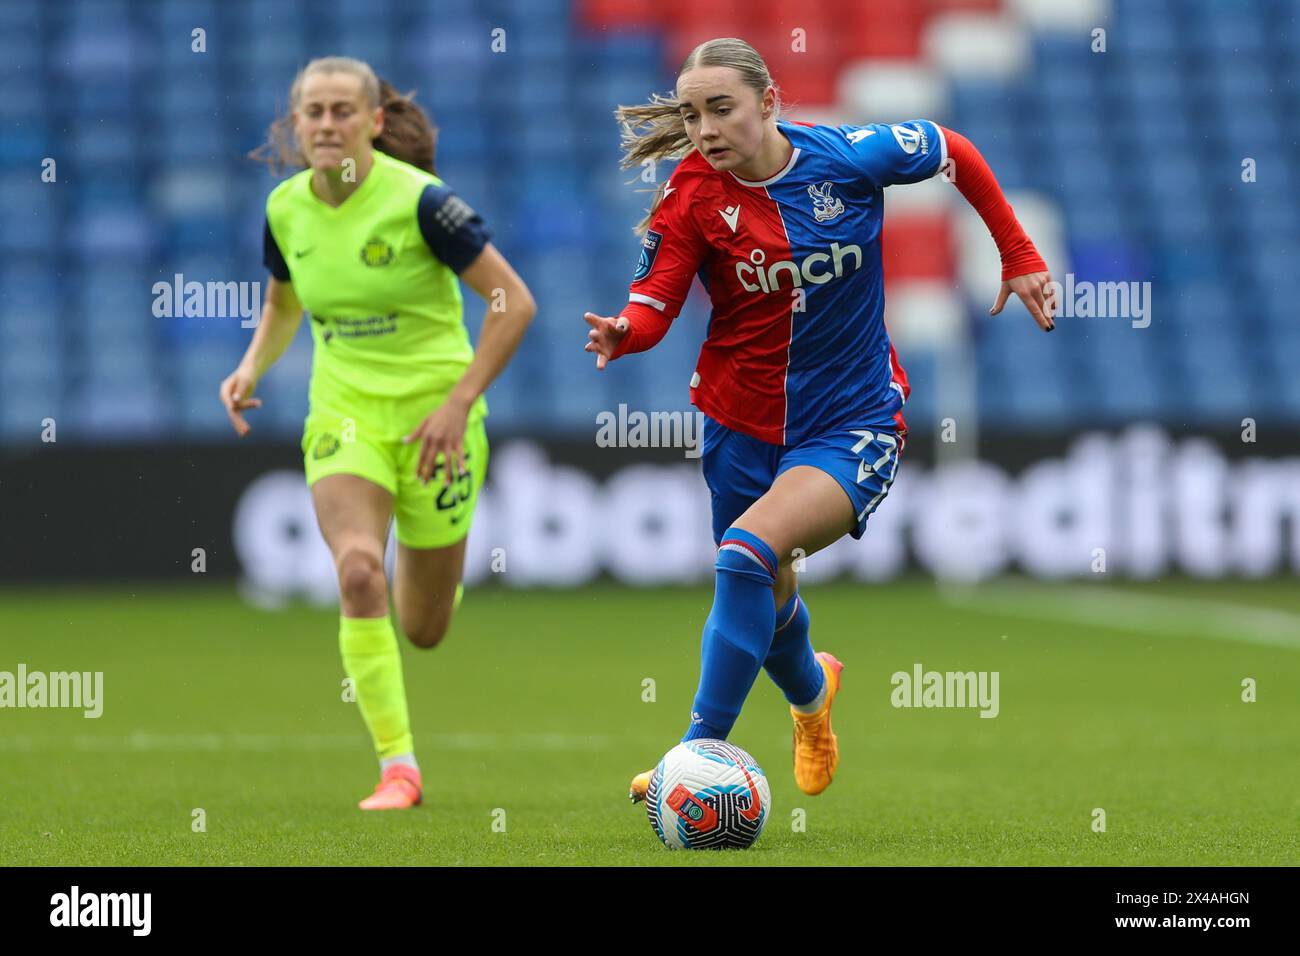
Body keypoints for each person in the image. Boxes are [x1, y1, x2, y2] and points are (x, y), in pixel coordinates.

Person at [582, 38, 1053, 802]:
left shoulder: (850, 158)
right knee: (766, 589)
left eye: (720, 109)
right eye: (691, 114)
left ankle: (695, 756)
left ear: (769, 103)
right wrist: (626, 332)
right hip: (738, 421)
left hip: (853, 421)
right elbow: (657, 298)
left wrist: (1018, 251)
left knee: (743, 557)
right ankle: (812, 701)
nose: (703, 129)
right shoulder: (693, 195)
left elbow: (951, 149)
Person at [222, 56, 535, 810]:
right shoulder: (285, 209)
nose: (326, 125)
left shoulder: (424, 204)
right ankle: (399, 769)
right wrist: (250, 366)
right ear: (296, 125)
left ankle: (429, 584)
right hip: (344, 414)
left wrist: (459, 403)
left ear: (373, 122)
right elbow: (287, 301)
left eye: (340, 111)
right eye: (313, 112)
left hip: (439, 422)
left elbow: (513, 302)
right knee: (358, 570)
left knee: (422, 628)